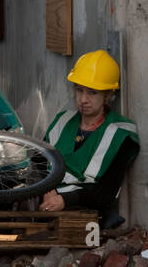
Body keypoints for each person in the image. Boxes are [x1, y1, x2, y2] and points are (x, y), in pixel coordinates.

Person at [39, 50, 139, 227]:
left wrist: (64, 200)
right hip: (47, 203)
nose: (83, 99)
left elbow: (106, 194)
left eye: (92, 93)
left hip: (85, 212)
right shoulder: (62, 121)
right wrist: (47, 189)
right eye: (79, 90)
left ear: (107, 95)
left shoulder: (120, 134)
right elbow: (36, 162)